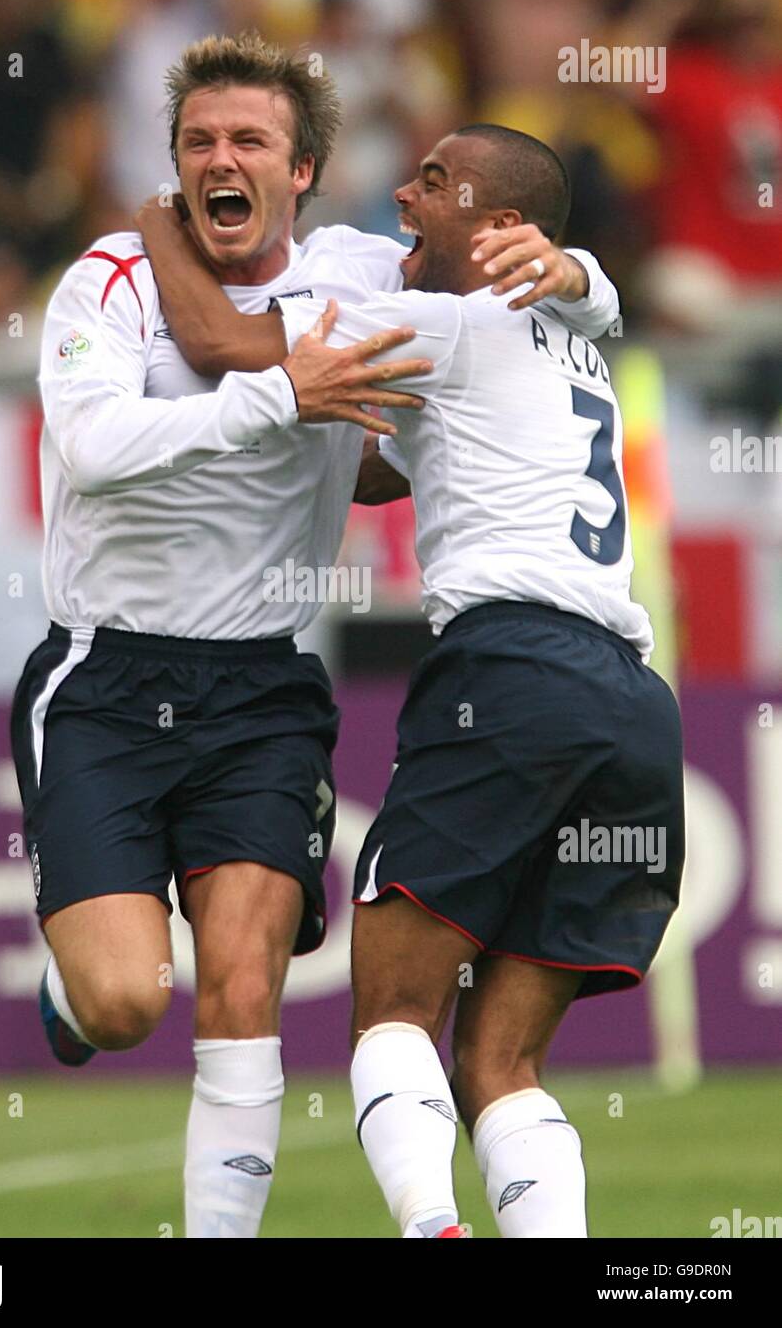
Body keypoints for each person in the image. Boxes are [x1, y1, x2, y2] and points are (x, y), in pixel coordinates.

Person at [13, 30, 619, 1240]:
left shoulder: (362, 270)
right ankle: (77, 998)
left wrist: (579, 271)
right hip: (106, 674)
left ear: (303, 171)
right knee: (131, 998)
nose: (218, 159)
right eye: (197, 141)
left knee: (244, 987)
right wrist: (279, 398)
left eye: (249, 141)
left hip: (262, 687)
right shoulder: (108, 278)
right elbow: (92, 449)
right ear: (174, 162)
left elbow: (519, 297)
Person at [269, 126, 684, 1238]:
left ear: (503, 229)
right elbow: (373, 469)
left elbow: (256, 347)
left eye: (434, 184)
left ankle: (429, 1229)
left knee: (392, 1010)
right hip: (632, 705)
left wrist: (229, 249)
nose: (402, 193)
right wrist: (585, 272)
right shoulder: (571, 339)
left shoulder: (445, 325)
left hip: (510, 672)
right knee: (501, 1059)